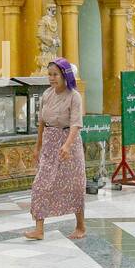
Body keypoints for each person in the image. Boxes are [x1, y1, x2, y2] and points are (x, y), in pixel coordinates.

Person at [25, 58, 86, 240]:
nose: (52, 78)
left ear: (64, 75)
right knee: (40, 184)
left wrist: (66, 146)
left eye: (55, 75)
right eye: (49, 75)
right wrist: (38, 146)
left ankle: (80, 226)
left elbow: (76, 124)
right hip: (50, 144)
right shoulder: (47, 94)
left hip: (70, 144)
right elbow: (42, 122)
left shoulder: (74, 96)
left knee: (74, 185)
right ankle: (39, 229)